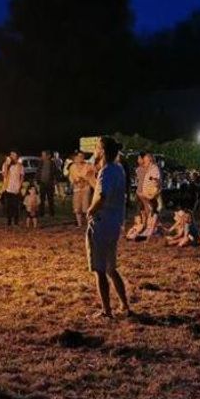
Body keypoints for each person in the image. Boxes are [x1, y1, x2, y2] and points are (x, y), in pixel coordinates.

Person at [86, 136, 131, 319]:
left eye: (97, 147)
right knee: (111, 268)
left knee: (99, 269)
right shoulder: (118, 169)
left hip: (101, 222)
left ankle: (106, 311)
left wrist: (91, 209)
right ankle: (125, 305)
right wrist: (92, 176)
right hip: (114, 223)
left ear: (102, 151)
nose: (95, 150)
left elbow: (102, 195)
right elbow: (103, 189)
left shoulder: (107, 171)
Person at [68, 151, 93, 228]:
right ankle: (79, 224)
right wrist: (75, 181)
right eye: (78, 157)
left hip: (86, 187)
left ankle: (89, 223)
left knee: (86, 206)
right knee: (77, 207)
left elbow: (91, 176)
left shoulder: (88, 166)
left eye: (81, 156)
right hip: (77, 188)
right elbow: (71, 177)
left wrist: (83, 179)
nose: (80, 158)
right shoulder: (72, 167)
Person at [1, 151, 24, 226]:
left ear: (17, 156)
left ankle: (16, 221)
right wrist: (7, 165)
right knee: (8, 205)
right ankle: (9, 221)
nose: (11, 156)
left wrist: (19, 186)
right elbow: (4, 175)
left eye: (13, 155)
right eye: (11, 155)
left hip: (16, 188)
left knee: (16, 205)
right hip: (8, 188)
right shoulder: (5, 164)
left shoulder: (20, 166)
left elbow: (22, 177)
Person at [37, 151, 56, 218]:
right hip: (42, 183)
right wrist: (37, 180)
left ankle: (52, 213)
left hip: (49, 183)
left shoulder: (52, 163)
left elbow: (54, 173)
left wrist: (54, 181)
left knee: (50, 199)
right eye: (42, 155)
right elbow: (38, 171)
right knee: (42, 199)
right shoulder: (41, 163)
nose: (42, 156)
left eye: (44, 155)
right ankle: (41, 213)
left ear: (48, 156)